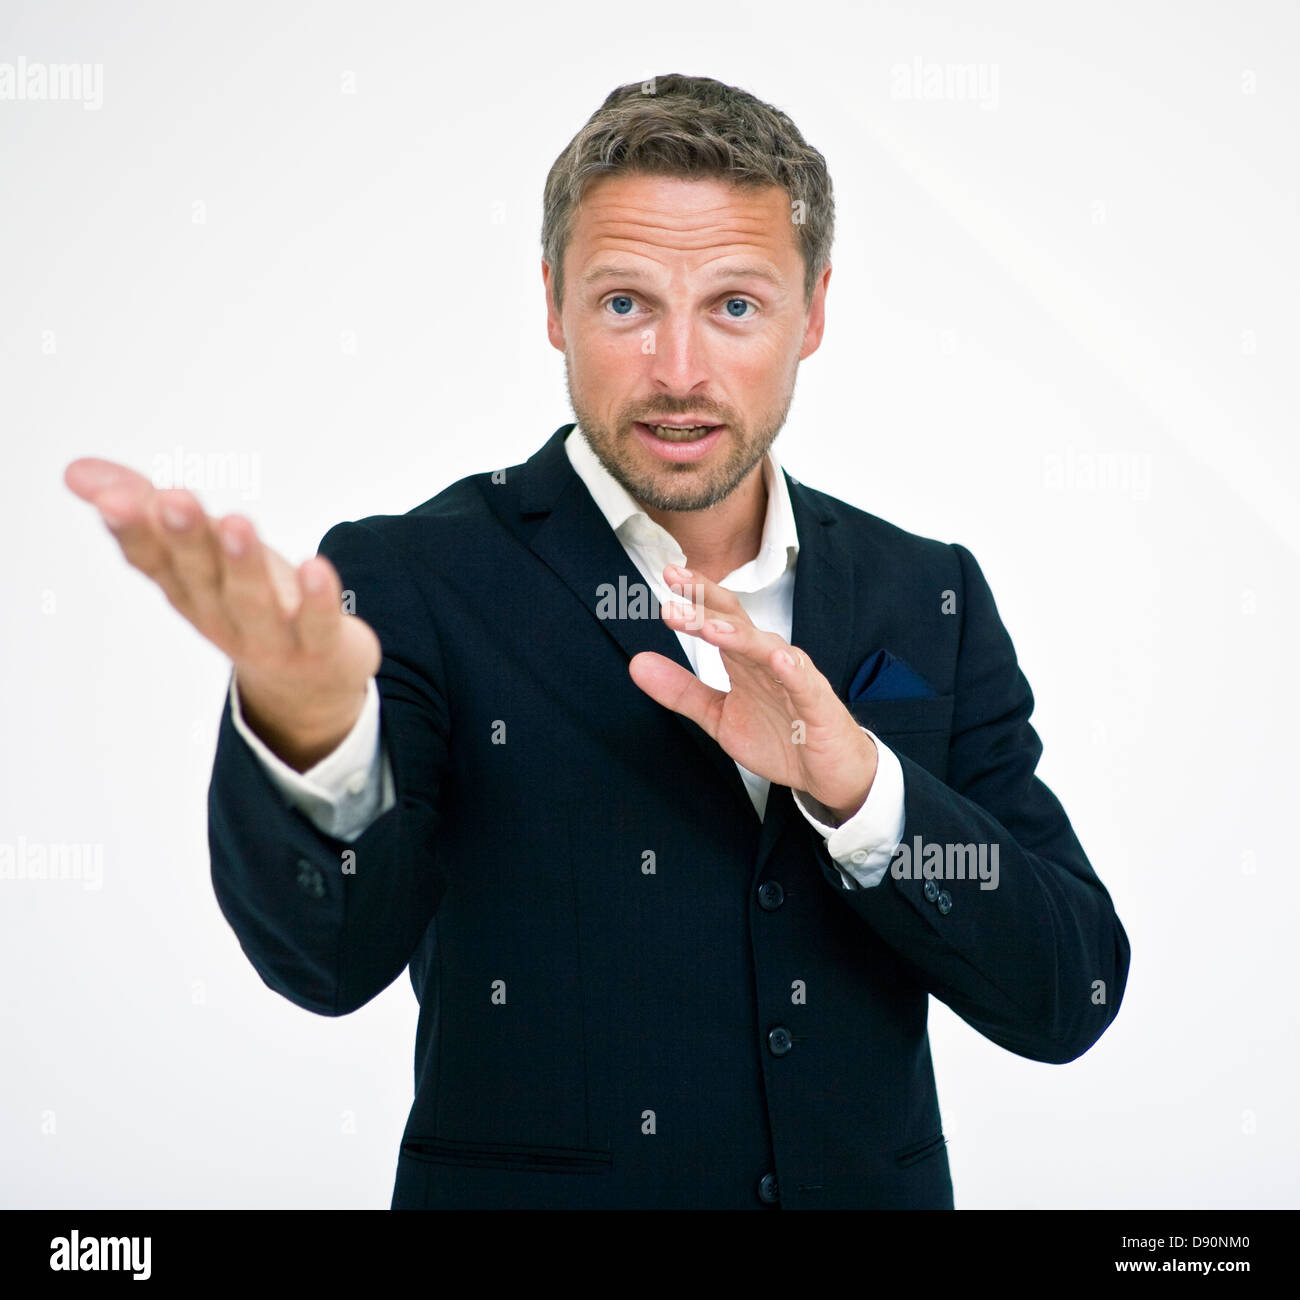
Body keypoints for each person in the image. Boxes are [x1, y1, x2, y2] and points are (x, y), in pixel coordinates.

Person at [64, 72, 1130, 1210]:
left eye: (735, 306)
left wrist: (862, 790)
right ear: (552, 304)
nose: (678, 371)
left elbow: (1068, 992)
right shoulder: (412, 578)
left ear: (812, 313)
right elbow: (328, 965)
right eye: (625, 304)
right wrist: (313, 726)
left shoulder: (927, 593)